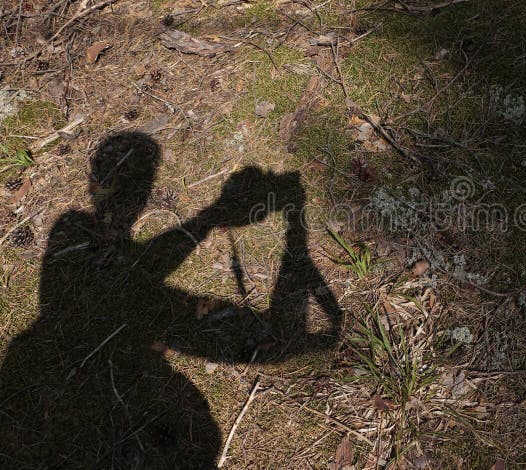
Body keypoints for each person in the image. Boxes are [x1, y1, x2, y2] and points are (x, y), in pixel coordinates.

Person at [0, 132, 341, 468]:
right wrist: (295, 224)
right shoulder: (73, 235)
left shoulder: (71, 235)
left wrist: (211, 217)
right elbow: (144, 280)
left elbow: (138, 274)